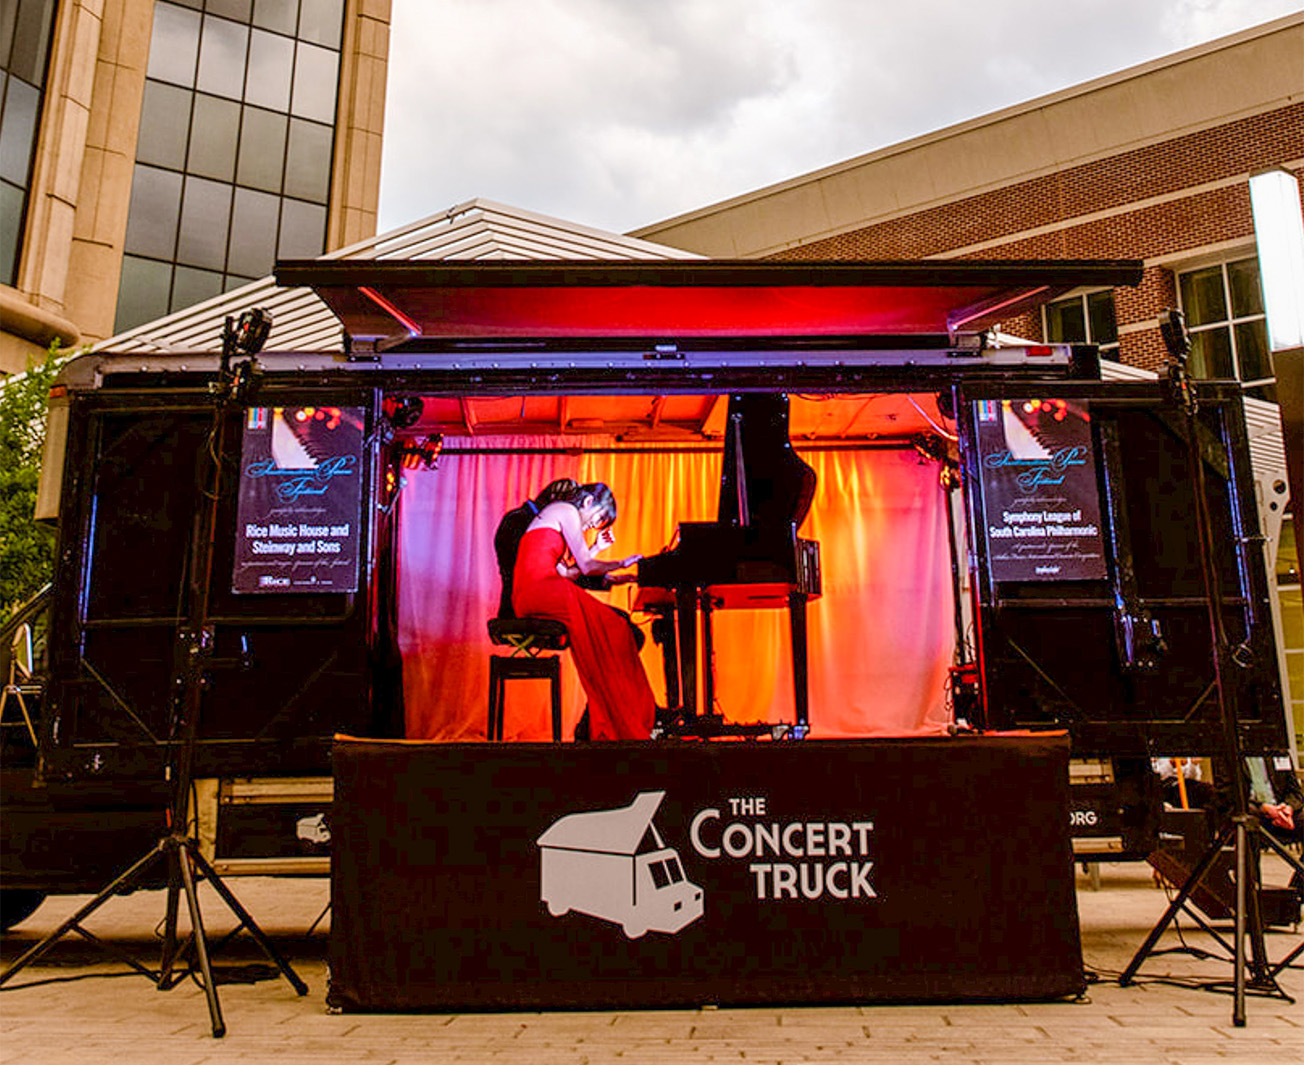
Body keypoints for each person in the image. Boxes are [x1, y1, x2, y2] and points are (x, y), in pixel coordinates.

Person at [512, 482, 656, 740]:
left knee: (613, 625)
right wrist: (622, 562)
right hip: (541, 589)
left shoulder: (556, 516)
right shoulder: (566, 510)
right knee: (614, 627)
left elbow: (568, 573)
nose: (595, 525)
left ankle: (611, 714)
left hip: (533, 592)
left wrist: (615, 570)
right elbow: (587, 568)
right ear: (588, 502)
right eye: (599, 517)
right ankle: (620, 713)